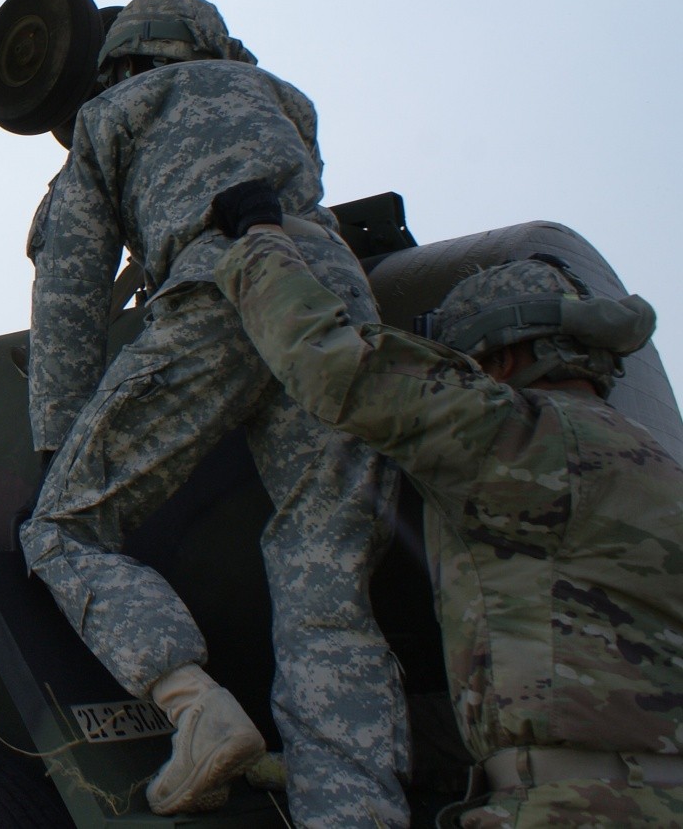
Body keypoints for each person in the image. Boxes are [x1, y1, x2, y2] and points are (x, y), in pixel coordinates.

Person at [19, 0, 407, 822]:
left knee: (60, 528)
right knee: (327, 586)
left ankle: (198, 710)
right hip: (334, 302)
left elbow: (71, 287)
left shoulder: (113, 113)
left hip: (217, 290)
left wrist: (59, 440)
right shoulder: (282, 99)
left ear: (120, 61)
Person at [210, 180, 683, 828]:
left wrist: (259, 236)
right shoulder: (655, 468)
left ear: (507, 356)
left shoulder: (512, 435)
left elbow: (332, 366)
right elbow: (577, 684)